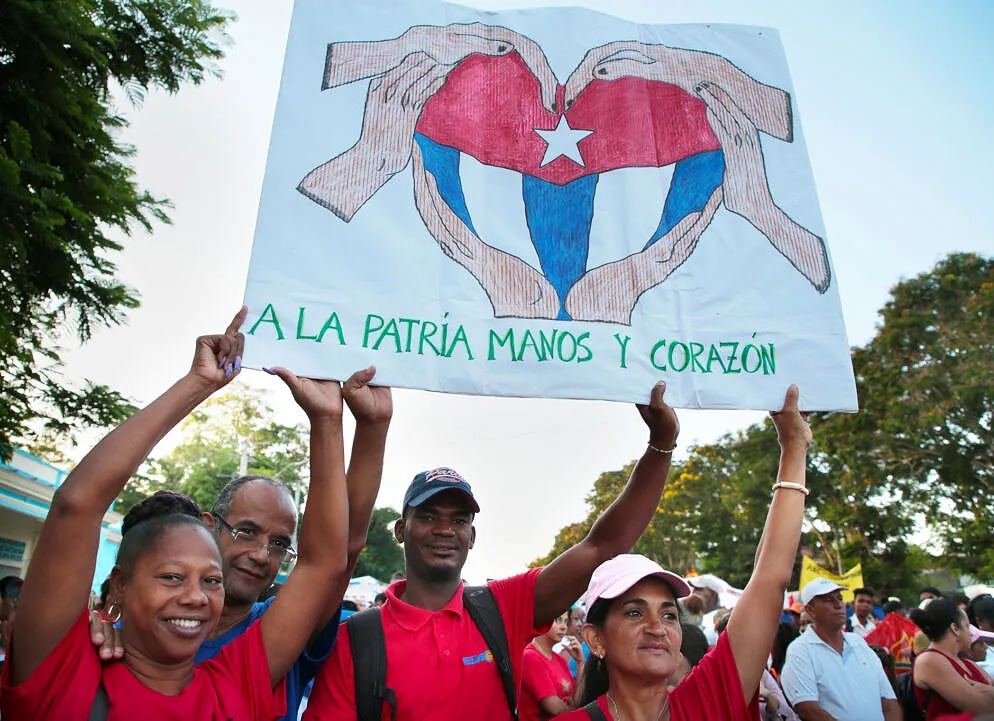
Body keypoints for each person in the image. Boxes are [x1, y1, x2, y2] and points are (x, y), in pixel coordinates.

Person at [0, 308, 352, 719]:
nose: (195, 597)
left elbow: (324, 562)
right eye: (171, 577)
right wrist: (198, 384)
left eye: (212, 581)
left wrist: (327, 418)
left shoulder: (235, 684)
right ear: (120, 584)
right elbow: (76, 507)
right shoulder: (63, 675)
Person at [304, 379, 681, 721]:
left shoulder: (502, 608)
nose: (444, 530)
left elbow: (603, 545)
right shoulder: (356, 639)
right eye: (429, 516)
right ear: (402, 530)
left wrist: (661, 445)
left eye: (459, 519)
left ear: (472, 535)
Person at [87, 362, 392, 721]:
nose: (262, 554)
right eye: (246, 531)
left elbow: (339, 549)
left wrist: (368, 427)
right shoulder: (104, 649)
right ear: (208, 525)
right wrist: (91, 632)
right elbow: (76, 508)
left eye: (279, 543)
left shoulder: (279, 638)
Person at [557, 384, 811, 721]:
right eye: (634, 613)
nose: (657, 628)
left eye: (669, 615)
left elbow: (769, 579)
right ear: (595, 639)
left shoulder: (706, 704)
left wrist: (793, 447)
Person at [780, 577, 901, 720]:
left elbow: (889, 701)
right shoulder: (801, 650)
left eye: (840, 598)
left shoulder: (859, 644)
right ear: (810, 610)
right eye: (829, 600)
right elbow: (808, 709)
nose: (839, 605)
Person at [909, 598, 994, 719]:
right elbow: (983, 708)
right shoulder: (930, 660)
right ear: (955, 629)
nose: (970, 633)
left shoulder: (967, 662)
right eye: (967, 626)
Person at [519, 613, 578, 720]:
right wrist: (577, 709)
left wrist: (581, 662)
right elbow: (555, 709)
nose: (563, 626)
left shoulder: (560, 659)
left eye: (566, 621)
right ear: (542, 620)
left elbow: (577, 696)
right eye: (558, 620)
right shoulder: (531, 656)